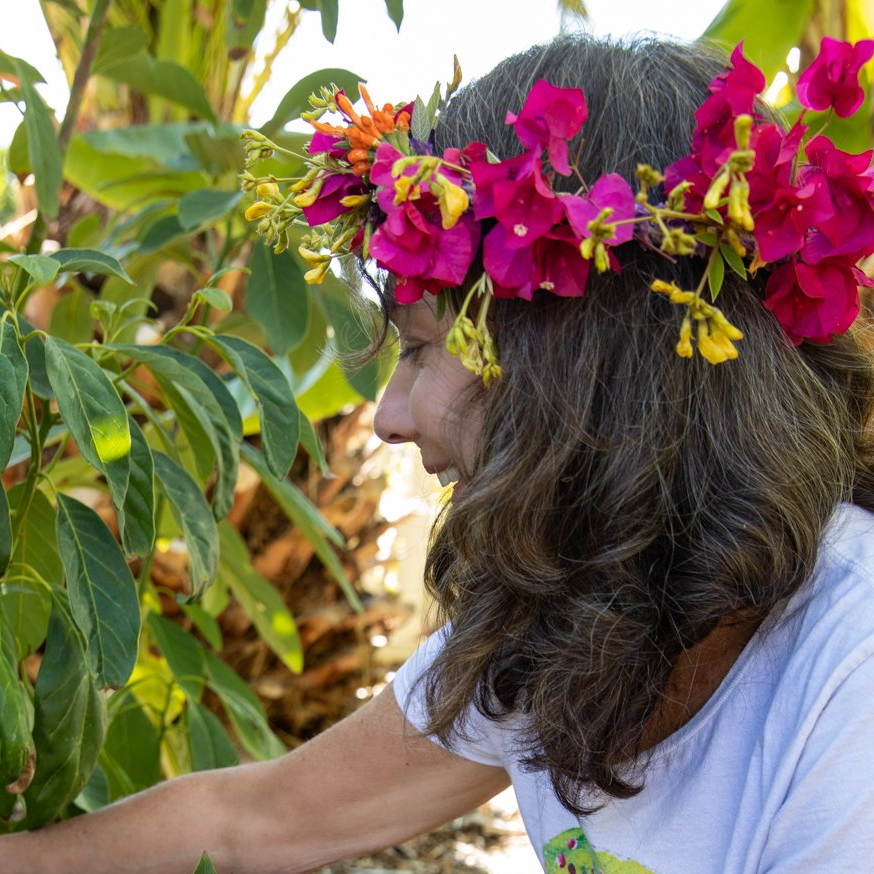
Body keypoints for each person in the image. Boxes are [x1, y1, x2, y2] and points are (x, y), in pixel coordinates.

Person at [5, 32, 874, 874]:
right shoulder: (577, 615)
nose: (385, 417)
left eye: (418, 349)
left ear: (574, 359)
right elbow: (255, 822)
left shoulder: (849, 665)